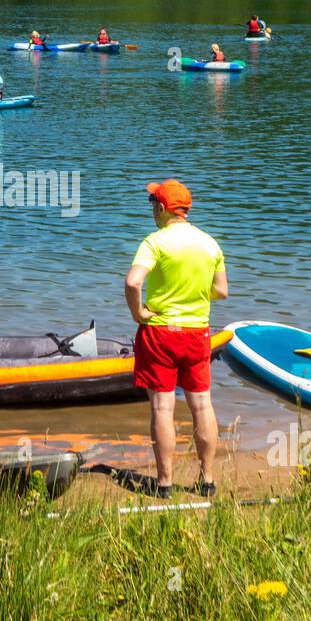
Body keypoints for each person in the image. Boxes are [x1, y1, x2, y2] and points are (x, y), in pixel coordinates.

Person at [125, 179, 228, 498]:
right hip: (198, 334)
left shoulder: (154, 242)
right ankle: (207, 479)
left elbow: (132, 282)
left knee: (162, 409)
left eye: (152, 203)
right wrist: (196, 296)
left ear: (161, 208)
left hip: (160, 334)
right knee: (202, 406)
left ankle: (165, 483)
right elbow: (222, 291)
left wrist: (139, 313)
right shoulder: (210, 244)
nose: (151, 209)